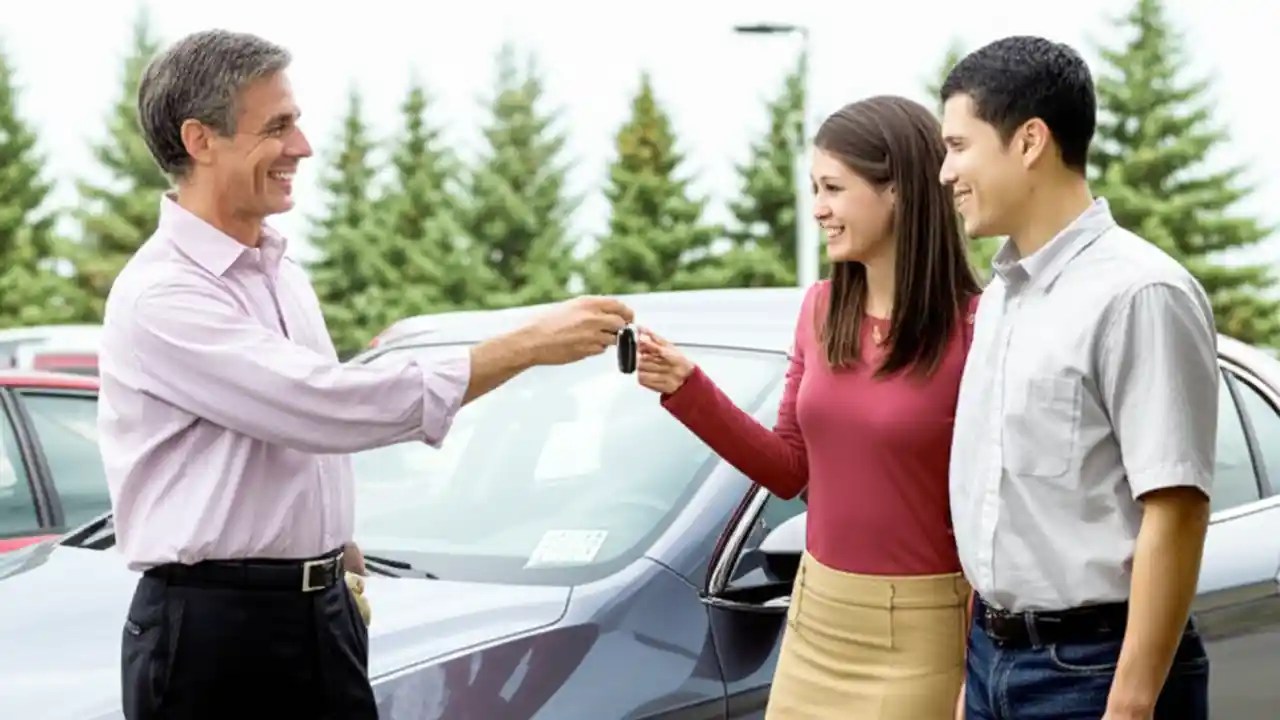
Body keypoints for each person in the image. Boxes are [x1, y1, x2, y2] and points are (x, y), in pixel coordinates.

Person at [101, 29, 633, 720]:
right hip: (218, 637)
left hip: (318, 615)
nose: (304, 147)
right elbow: (321, 405)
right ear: (201, 140)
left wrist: (328, 547)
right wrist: (523, 346)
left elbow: (287, 441)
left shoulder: (278, 269)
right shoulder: (163, 296)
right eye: (279, 126)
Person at [635, 95, 983, 719]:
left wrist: (976, 671)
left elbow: (995, 516)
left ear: (898, 191)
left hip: (922, 635)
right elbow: (789, 469)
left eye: (833, 188)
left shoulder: (978, 330)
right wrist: (686, 388)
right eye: (815, 188)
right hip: (816, 615)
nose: (817, 208)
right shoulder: (820, 311)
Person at [939, 36, 1219, 720]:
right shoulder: (1002, 293)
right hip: (993, 660)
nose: (945, 173)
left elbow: (1177, 509)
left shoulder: (1140, 292)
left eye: (957, 145)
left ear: (1029, 140)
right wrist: (976, 677)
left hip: (1094, 674)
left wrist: (1129, 701)